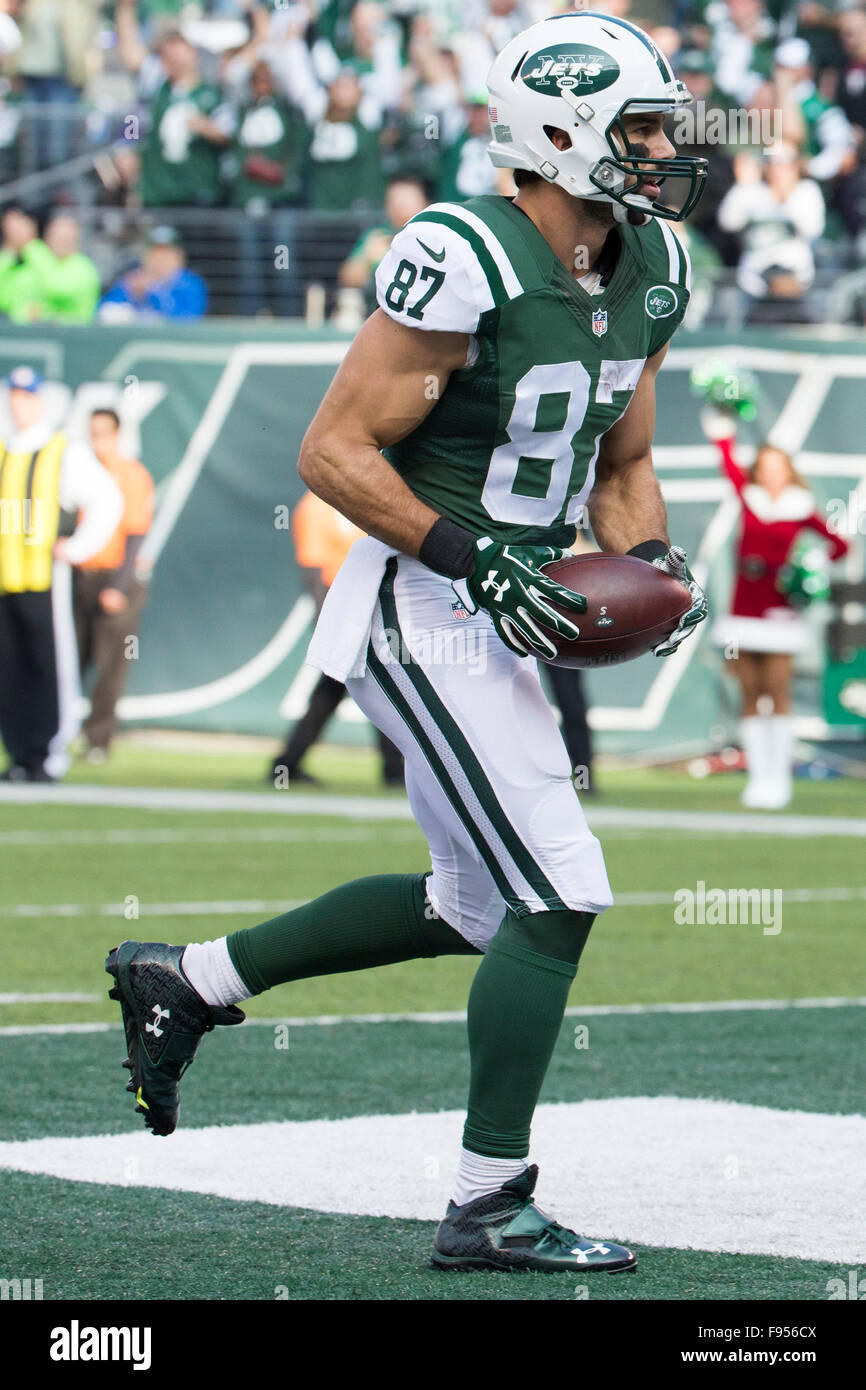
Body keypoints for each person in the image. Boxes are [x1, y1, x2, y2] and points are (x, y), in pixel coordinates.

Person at [105, 12, 708, 1275]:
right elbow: (330, 450)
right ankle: (488, 1200)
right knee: (559, 888)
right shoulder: (461, 253)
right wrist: (469, 554)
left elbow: (627, 459)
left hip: (514, 600)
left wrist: (645, 561)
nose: (659, 149)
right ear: (556, 135)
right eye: (636, 127)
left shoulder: (649, 262)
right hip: (424, 605)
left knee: (473, 904)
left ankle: (191, 979)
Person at [703, 406, 848, 809]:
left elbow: (839, 546)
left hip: (781, 613)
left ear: (788, 472)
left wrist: (809, 570)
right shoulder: (748, 499)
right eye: (764, 468)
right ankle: (758, 780)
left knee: (776, 692)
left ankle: (779, 779)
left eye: (777, 467)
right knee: (748, 693)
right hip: (743, 610)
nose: (770, 475)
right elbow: (730, 469)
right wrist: (722, 432)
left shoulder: (801, 507)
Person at [0, 368, 123, 782]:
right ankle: (19, 756)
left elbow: (108, 500)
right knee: (9, 668)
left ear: (39, 402)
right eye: (13, 396)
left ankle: (47, 753)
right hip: (6, 580)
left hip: (44, 580)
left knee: (48, 665)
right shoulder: (5, 450)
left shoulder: (59, 450)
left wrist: (75, 548)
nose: (18, 404)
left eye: (26, 397)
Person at [269, 491, 403, 788]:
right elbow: (312, 571)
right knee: (375, 685)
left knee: (341, 690)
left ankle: (287, 764)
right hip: (343, 606)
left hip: (366, 604)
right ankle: (394, 769)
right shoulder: (315, 508)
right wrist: (328, 621)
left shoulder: (355, 501)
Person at [73, 408, 155, 762]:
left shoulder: (131, 475)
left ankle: (97, 740)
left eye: (105, 432)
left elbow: (136, 533)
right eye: (93, 432)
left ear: (118, 434)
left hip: (115, 576)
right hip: (80, 575)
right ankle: (56, 730)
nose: (98, 440)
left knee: (110, 666)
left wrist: (118, 587)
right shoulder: (79, 472)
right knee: (67, 661)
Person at [99, 226, 208, 322]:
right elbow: (104, 310)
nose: (160, 259)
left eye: (166, 253)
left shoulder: (190, 284)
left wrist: (153, 292)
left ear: (178, 256)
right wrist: (133, 295)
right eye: (155, 253)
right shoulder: (133, 280)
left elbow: (189, 320)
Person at [24, 212, 101, 324]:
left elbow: (56, 288)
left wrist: (30, 245)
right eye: (56, 236)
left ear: (76, 240)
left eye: (66, 237)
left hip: (75, 336)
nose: (61, 242)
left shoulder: (84, 267)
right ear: (47, 238)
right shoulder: (41, 262)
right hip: (37, 335)